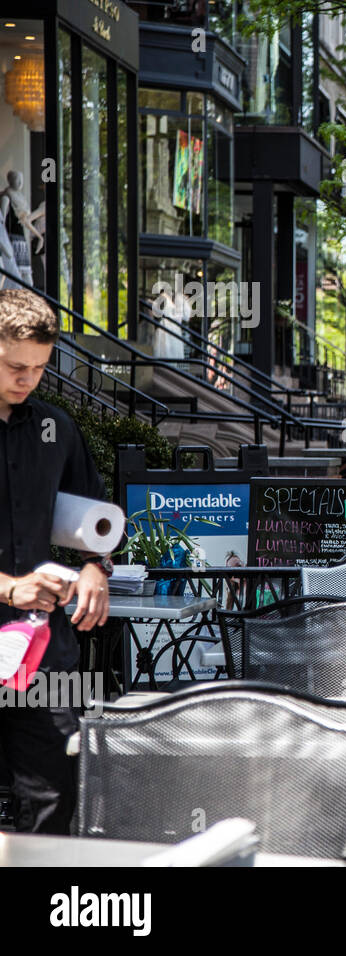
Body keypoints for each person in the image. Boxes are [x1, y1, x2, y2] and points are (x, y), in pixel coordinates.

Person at [0, 289, 112, 833]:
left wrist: (96, 569)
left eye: (40, 369)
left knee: (54, 796)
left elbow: (97, 524)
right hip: (14, 619)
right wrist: (8, 588)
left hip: (41, 653)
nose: (28, 379)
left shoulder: (56, 429)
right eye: (15, 366)